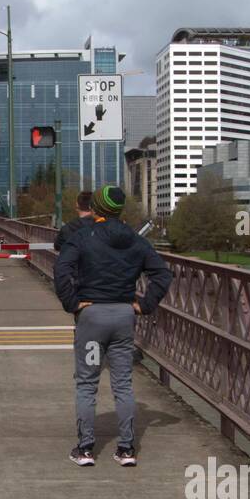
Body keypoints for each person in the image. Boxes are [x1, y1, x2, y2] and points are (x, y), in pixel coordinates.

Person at [55, 185, 172, 467]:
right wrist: (144, 305)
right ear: (119, 210)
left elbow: (62, 269)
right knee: (123, 384)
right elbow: (162, 275)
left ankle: (85, 450)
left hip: (92, 316)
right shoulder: (136, 240)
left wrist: (73, 303)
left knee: (87, 383)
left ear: (95, 208)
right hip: (123, 317)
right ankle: (127, 449)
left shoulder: (83, 237)